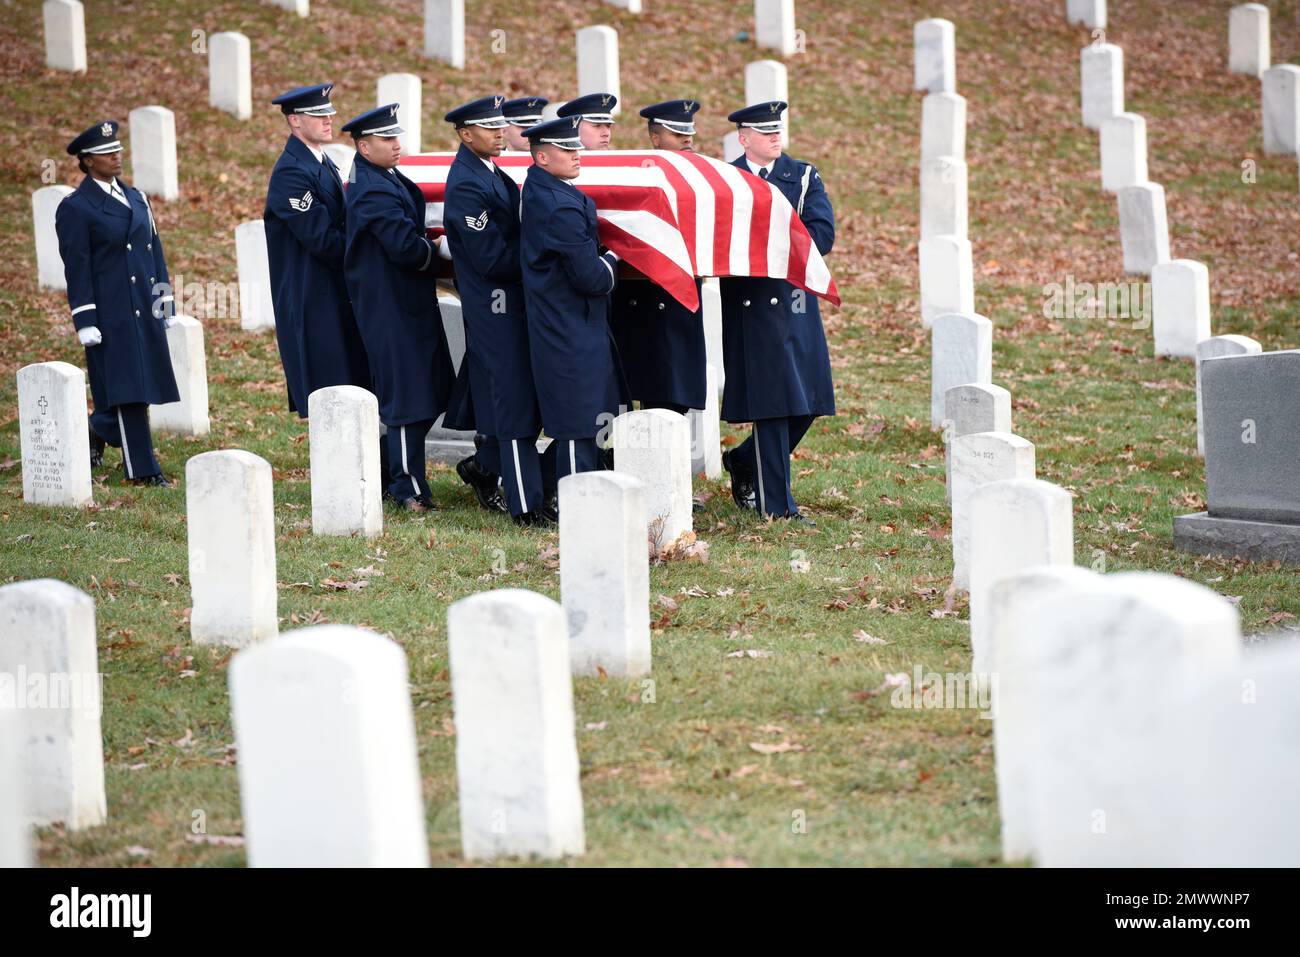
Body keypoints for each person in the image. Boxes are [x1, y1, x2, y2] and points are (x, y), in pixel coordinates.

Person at [719, 101, 835, 524]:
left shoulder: (802, 176)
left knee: (808, 403)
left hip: (794, 298)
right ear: (744, 138)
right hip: (749, 303)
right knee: (772, 405)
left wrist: (775, 246)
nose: (774, 136)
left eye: (777, 129)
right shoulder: (726, 178)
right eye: (763, 131)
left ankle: (745, 461)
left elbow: (822, 233)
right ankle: (778, 505)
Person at [442, 95, 554, 525]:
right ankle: (526, 504)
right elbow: (492, 257)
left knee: (518, 397)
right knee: (512, 404)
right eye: (488, 128)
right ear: (465, 133)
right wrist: (544, 260)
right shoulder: (468, 183)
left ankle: (488, 467)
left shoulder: (490, 172)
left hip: (511, 306)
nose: (499, 133)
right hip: (495, 308)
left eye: (500, 126)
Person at [341, 104, 455, 512]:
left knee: (423, 387)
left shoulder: (382, 176)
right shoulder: (372, 188)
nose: (397, 144)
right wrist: (439, 249)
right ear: (363, 146)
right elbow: (404, 247)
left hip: (405, 301)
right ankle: (407, 488)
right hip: (389, 305)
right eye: (387, 139)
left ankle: (395, 472)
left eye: (396, 137)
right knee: (407, 396)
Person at [55, 119, 179, 487]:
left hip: (143, 304)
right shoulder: (76, 208)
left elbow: (154, 252)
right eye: (107, 153)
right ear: (87, 161)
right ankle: (143, 469)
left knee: (137, 383)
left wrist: (164, 300)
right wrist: (85, 317)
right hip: (110, 313)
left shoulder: (137, 197)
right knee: (129, 390)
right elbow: (77, 266)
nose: (116, 157)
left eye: (118, 150)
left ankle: (94, 431)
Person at [519, 116, 626, 483]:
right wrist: (613, 258)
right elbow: (592, 277)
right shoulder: (559, 206)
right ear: (543, 157)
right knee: (577, 421)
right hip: (568, 326)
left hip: (564, 321)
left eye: (576, 146)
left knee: (583, 417)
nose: (576, 154)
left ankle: (573, 492)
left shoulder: (542, 189)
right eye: (567, 149)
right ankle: (578, 501)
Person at [263, 83, 372, 422]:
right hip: (313, 299)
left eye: (330, 113)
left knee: (350, 385)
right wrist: (372, 256)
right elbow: (323, 240)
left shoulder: (319, 162)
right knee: (331, 392)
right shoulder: (291, 173)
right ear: (295, 121)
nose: (329, 120)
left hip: (334, 294)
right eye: (319, 114)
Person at [609, 100, 708, 416]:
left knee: (674, 393)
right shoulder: (638, 177)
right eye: (678, 133)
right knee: (645, 386)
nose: (687, 139)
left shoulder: (700, 177)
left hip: (681, 297)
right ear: (655, 138)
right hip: (641, 298)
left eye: (689, 133)